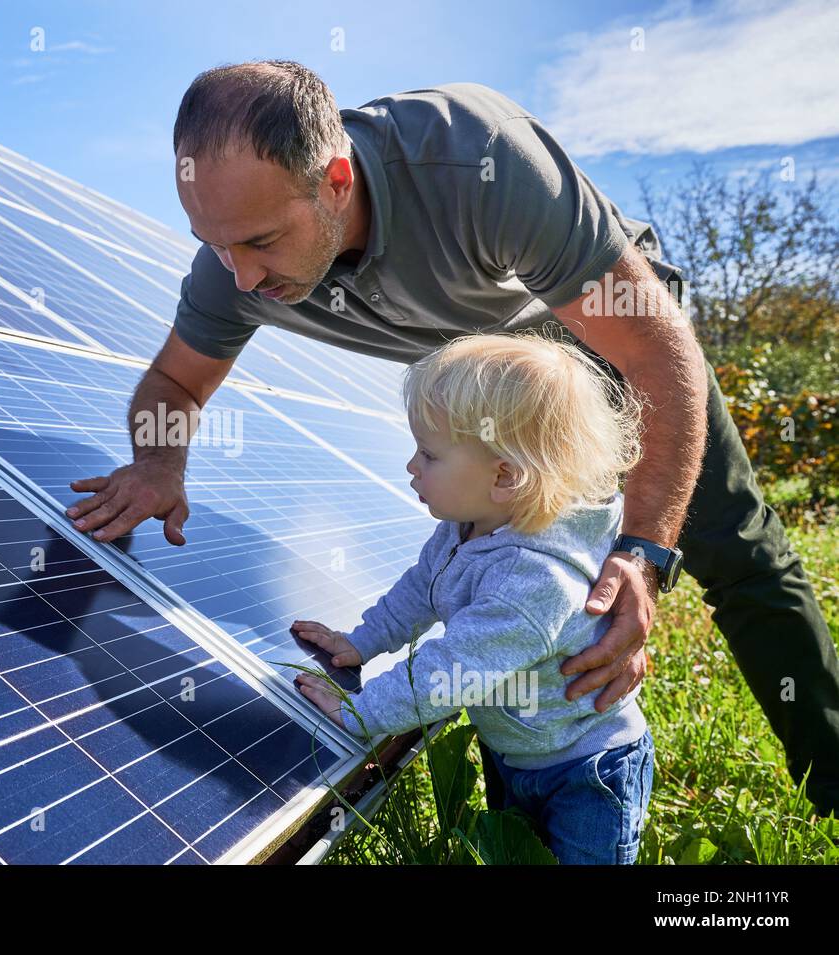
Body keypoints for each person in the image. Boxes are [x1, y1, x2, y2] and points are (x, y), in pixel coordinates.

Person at [65, 61, 839, 817]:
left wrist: (643, 552)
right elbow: (174, 383)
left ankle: (832, 779)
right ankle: (547, 779)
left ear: (336, 180)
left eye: (261, 241)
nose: (239, 277)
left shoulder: (478, 162)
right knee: (520, 583)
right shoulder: (234, 262)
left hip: (609, 345)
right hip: (491, 396)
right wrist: (157, 461)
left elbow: (654, 356)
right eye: (214, 243)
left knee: (737, 553)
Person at [292, 331, 654, 863]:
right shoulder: (470, 525)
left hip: (587, 769)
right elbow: (422, 589)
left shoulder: (535, 581)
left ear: (505, 476)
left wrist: (360, 715)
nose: (412, 466)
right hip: (515, 750)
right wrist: (362, 642)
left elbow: (452, 669)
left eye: (429, 454)